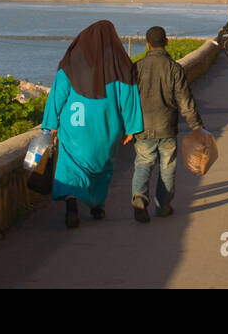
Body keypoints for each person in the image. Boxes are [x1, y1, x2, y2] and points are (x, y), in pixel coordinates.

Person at [40, 20, 144, 229]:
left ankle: (71, 205)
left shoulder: (70, 66)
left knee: (70, 167)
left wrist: (49, 126)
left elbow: (56, 98)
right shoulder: (122, 67)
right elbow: (130, 100)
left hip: (74, 131)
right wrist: (131, 128)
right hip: (107, 130)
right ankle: (97, 205)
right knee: (102, 168)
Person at [131, 26, 204, 223]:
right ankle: (162, 206)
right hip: (167, 126)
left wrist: (127, 126)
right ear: (166, 42)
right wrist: (196, 126)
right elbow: (185, 101)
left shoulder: (137, 67)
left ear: (147, 45)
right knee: (167, 166)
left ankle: (139, 196)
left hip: (142, 127)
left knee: (143, 163)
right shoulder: (174, 68)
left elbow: (129, 101)